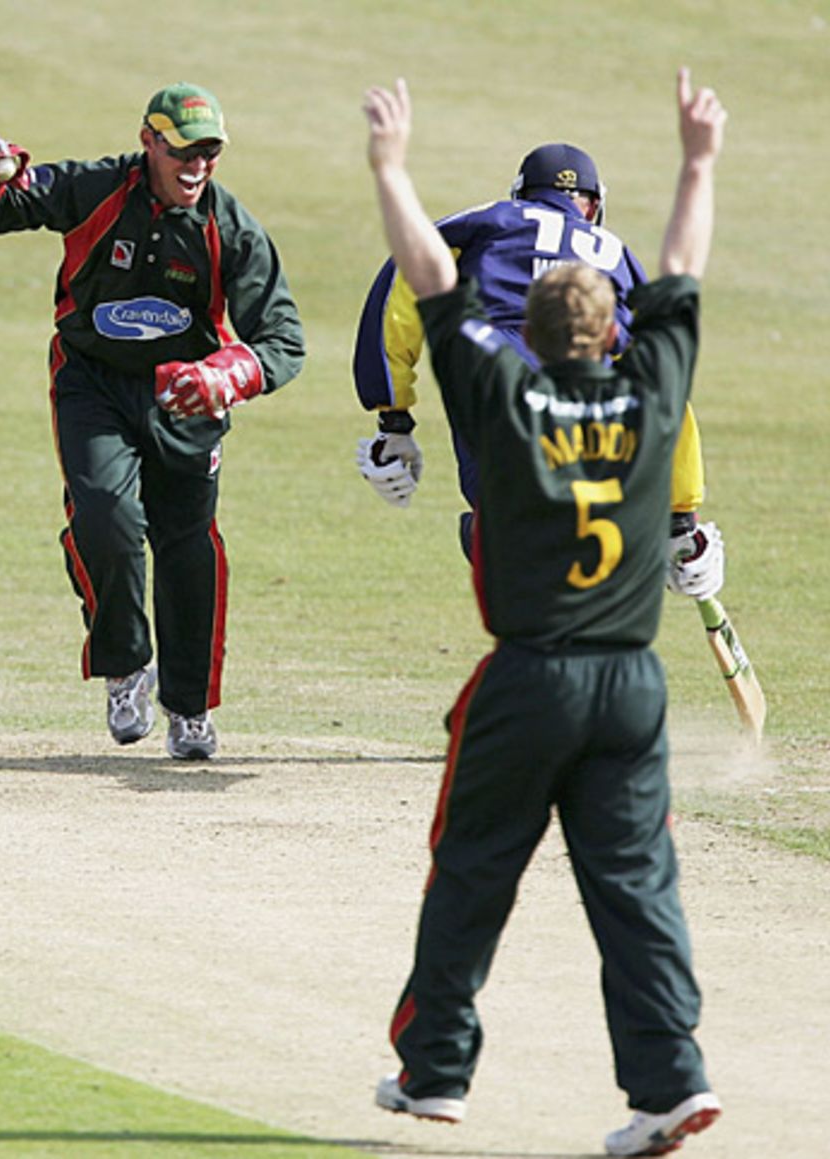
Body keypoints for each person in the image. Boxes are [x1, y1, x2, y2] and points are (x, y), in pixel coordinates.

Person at [363, 69, 726, 1156]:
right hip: (631, 684)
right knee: (638, 890)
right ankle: (670, 1083)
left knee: (472, 865)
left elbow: (428, 276)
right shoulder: (656, 390)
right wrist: (699, 160)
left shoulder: (507, 398)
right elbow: (682, 270)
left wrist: (391, 166)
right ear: (617, 326)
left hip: (531, 678)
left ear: (526, 324)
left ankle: (434, 1076)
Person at [0, 82, 304, 759]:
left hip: (187, 393)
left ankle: (190, 708)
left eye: (210, 152)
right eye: (183, 151)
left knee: (188, 546)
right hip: (93, 380)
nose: (197, 166)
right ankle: (124, 667)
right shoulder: (98, 188)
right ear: (149, 143)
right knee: (105, 520)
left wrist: (226, 375)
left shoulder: (228, 226)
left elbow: (282, 338)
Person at [352, 135, 724, 602]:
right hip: (586, 395)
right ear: (591, 206)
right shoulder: (615, 253)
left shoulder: (482, 221)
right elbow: (663, 388)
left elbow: (402, 280)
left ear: (523, 194)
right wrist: (681, 519)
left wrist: (393, 419)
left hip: (490, 367)